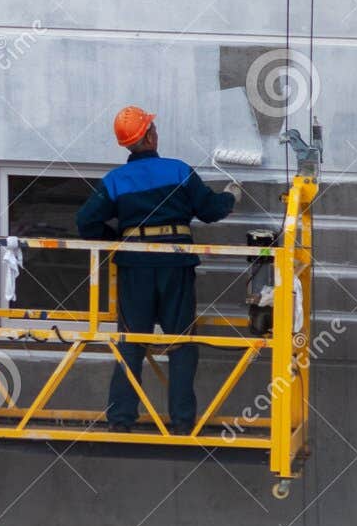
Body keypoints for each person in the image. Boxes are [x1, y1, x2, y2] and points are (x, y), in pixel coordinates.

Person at [75, 106, 240, 433]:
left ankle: (121, 421)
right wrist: (230, 197)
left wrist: (117, 240)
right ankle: (182, 424)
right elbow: (209, 211)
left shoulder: (115, 181)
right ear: (150, 135)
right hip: (174, 266)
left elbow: (85, 222)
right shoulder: (178, 171)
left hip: (135, 267)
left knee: (131, 341)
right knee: (180, 342)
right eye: (153, 127)